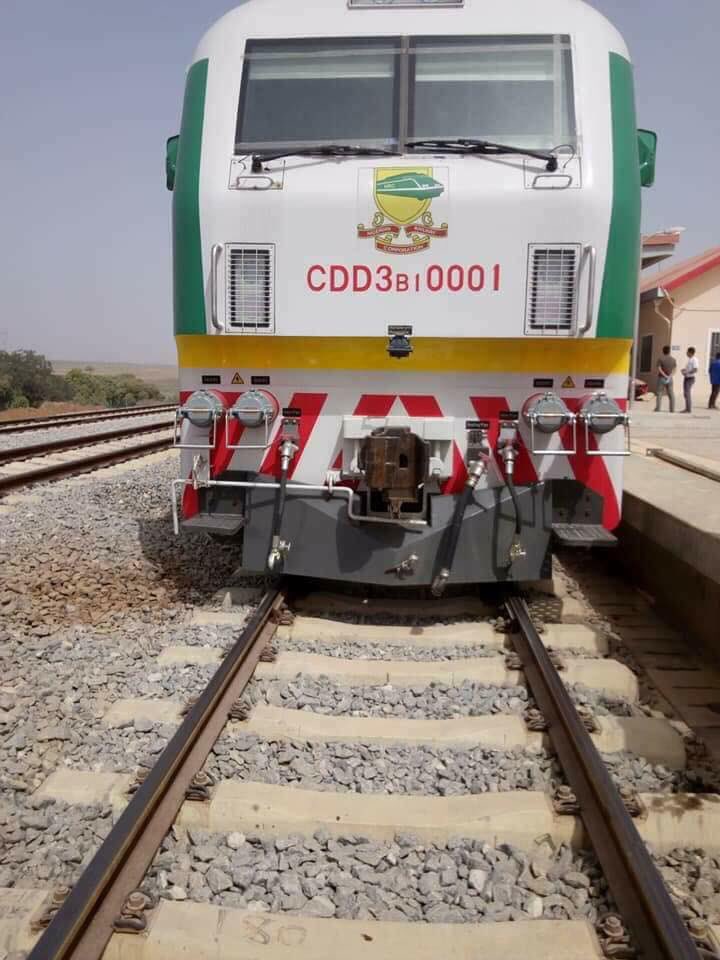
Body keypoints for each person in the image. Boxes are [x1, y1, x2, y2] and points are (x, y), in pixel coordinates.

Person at [654, 345, 676, 412]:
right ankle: (672, 409)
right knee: (671, 394)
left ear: (663, 351)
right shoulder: (673, 359)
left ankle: (658, 408)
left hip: (661, 378)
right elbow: (675, 369)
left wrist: (665, 375)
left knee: (659, 393)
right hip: (670, 379)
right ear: (669, 351)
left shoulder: (660, 359)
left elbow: (659, 368)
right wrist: (670, 376)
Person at [681, 347, 699, 413]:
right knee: (685, 393)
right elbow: (689, 369)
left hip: (690, 378)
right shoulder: (689, 359)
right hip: (686, 377)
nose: (686, 353)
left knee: (687, 393)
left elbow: (695, 369)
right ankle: (687, 408)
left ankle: (688, 409)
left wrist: (687, 372)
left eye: (687, 352)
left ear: (690, 352)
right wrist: (684, 371)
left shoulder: (694, 359)